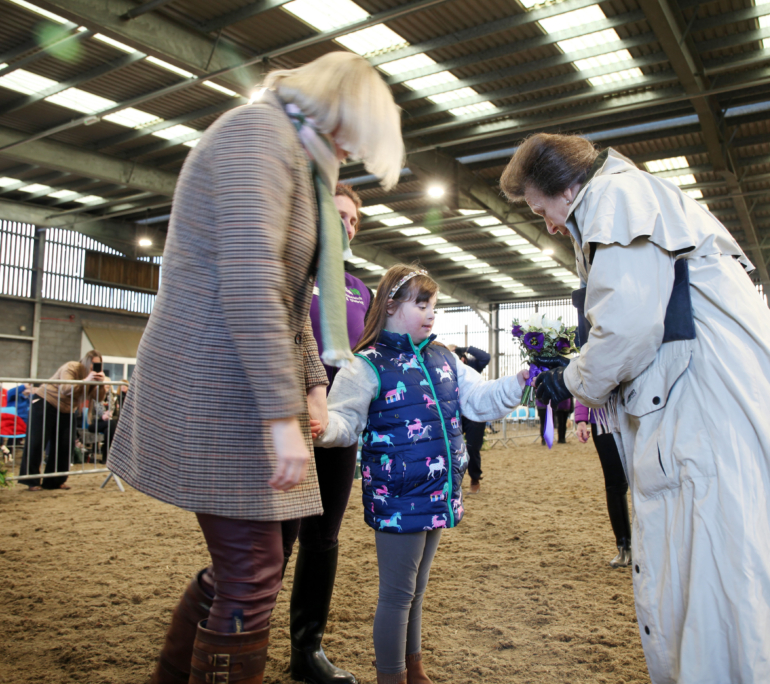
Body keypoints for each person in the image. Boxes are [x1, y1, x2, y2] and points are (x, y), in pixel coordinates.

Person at [502, 133, 770, 684]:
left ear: (568, 186)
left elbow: (629, 328)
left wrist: (571, 379)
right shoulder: (644, 196)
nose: (548, 225)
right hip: (728, 403)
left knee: (720, 569)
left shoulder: (617, 199)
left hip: (707, 413)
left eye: (543, 210)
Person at [107, 51, 403, 684]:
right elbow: (250, 280)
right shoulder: (257, 134)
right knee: (252, 567)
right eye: (354, 137)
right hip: (212, 379)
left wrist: (315, 389)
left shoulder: (296, 155)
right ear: (339, 109)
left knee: (243, 565)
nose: (350, 153)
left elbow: (291, 300)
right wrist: (279, 416)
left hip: (237, 379)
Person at [315, 265, 528, 684]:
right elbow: (344, 421)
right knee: (396, 595)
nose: (432, 313)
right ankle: (390, 677)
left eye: (434, 305)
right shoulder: (366, 365)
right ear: (391, 305)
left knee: (416, 591)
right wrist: (321, 427)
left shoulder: (444, 358)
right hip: (398, 495)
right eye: (422, 304)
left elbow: (481, 401)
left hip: (438, 492)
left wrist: (520, 380)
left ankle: (414, 670)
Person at [291, 183, 372, 684]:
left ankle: (307, 649)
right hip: (290, 415)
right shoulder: (292, 273)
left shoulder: (359, 287)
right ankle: (242, 642)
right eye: (339, 214)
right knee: (273, 541)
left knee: (323, 537)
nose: (347, 224)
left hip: (339, 423)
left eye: (354, 220)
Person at [20, 351, 105, 491]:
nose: (93, 367)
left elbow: (99, 398)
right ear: (86, 362)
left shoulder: (94, 378)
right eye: (92, 363)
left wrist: (100, 384)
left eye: (97, 364)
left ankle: (56, 480)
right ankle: (31, 480)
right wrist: (86, 380)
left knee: (65, 445)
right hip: (46, 402)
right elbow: (65, 388)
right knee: (36, 441)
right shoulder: (71, 367)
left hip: (67, 409)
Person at [573, 400, 630, 567]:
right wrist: (581, 419)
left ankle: (648, 545)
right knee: (614, 484)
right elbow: (583, 379)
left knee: (644, 483)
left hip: (632, 414)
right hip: (602, 421)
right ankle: (624, 546)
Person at [447, 344, 490, 493]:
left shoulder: (472, 367)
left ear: (463, 358)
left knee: (472, 449)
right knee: (449, 448)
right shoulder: (445, 370)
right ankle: (450, 482)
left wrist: (465, 348)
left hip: (475, 415)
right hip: (454, 414)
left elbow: (486, 357)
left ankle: (475, 478)